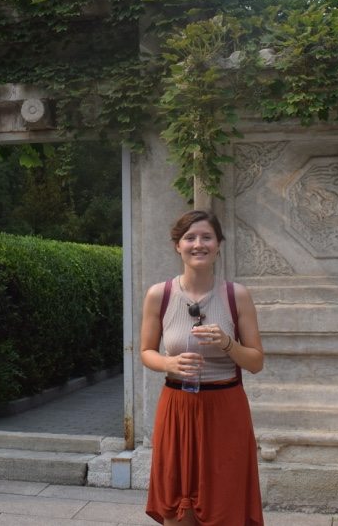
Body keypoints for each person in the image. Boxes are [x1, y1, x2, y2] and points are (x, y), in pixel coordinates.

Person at [140, 209, 265, 526]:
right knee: (178, 511)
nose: (198, 244)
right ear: (177, 246)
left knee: (225, 506)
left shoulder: (237, 295)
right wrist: (169, 362)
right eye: (190, 237)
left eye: (206, 237)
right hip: (178, 408)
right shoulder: (160, 295)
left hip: (226, 409)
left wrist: (227, 343)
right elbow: (145, 352)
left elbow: (256, 362)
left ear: (219, 244)